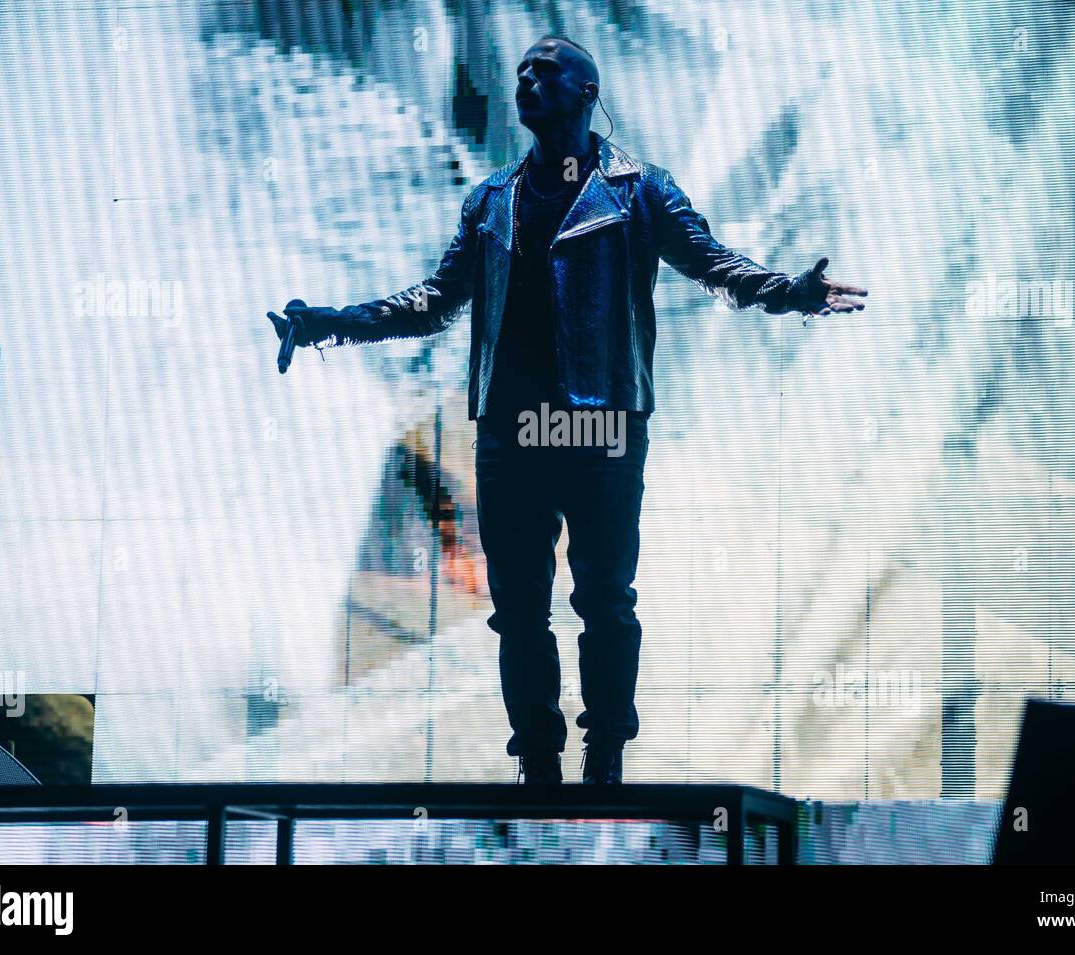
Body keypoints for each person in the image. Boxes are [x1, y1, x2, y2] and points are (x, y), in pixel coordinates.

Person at [270, 34, 868, 785]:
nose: (527, 82)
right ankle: (538, 758)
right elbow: (432, 303)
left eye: (545, 73)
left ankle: (606, 751)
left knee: (605, 598)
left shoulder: (641, 188)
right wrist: (331, 322)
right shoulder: (489, 202)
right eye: (521, 73)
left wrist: (793, 291)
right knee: (518, 608)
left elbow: (713, 264)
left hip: (602, 427)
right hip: (509, 431)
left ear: (586, 91)